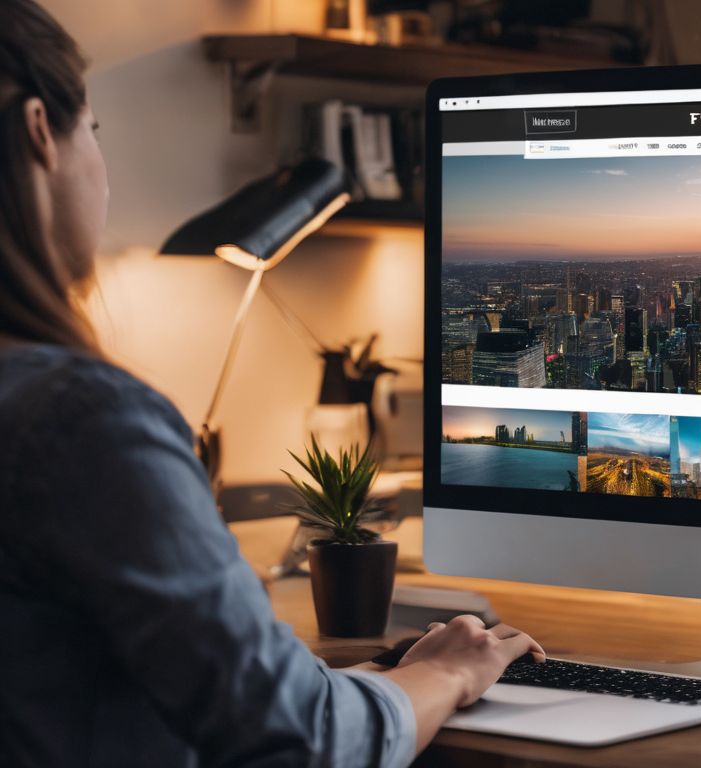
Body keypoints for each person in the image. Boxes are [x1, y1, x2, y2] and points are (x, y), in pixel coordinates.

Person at [0, 2, 543, 765]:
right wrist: (450, 669)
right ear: (37, 134)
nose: (102, 169)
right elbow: (300, 739)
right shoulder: (78, 418)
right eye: (92, 132)